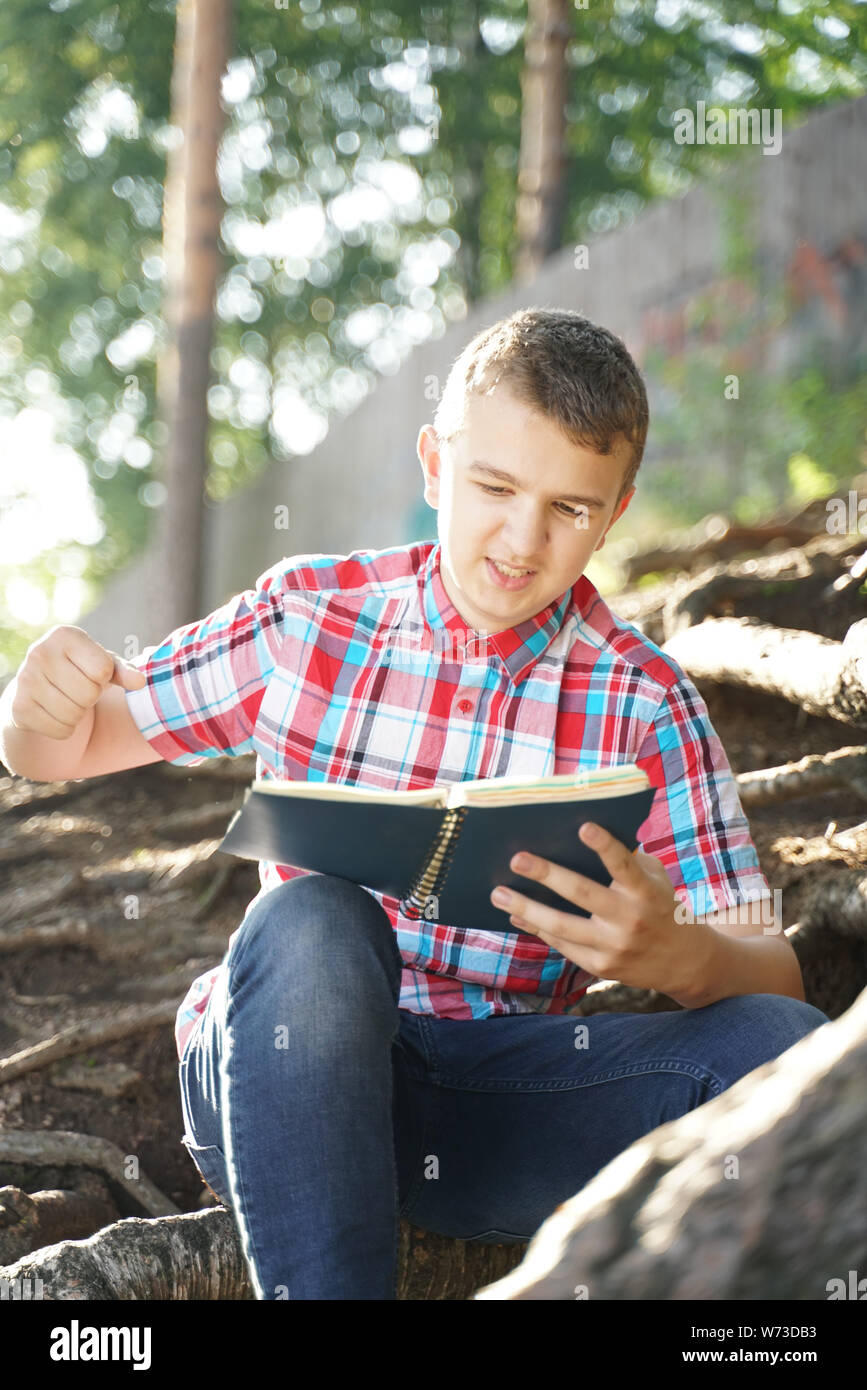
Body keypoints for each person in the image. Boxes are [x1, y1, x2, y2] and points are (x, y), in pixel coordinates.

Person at [0, 308, 829, 1301]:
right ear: (435, 465)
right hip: (289, 1074)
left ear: (615, 514)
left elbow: (774, 981)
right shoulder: (311, 614)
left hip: (492, 1105)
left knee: (775, 1049)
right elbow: (71, 743)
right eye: (494, 487)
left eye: (570, 508)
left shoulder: (643, 699)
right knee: (309, 917)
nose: (522, 541)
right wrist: (29, 706)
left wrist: (674, 954)